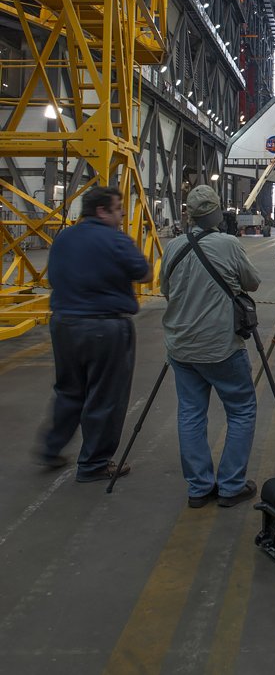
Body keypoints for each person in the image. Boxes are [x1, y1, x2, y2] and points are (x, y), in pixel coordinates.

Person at [36, 186, 152, 481]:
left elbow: (53, 276)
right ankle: (95, 463)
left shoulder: (63, 238)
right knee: (105, 395)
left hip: (64, 324)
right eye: (117, 209)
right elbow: (145, 273)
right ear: (102, 211)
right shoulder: (115, 239)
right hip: (105, 327)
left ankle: (51, 449)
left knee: (69, 390)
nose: (122, 214)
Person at [160, 185, 260, 508]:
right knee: (242, 409)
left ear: (189, 214)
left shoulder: (173, 247)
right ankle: (231, 485)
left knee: (190, 413)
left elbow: (166, 289)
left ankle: (199, 487)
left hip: (181, 347)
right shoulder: (229, 244)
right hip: (221, 347)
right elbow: (253, 282)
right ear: (217, 213)